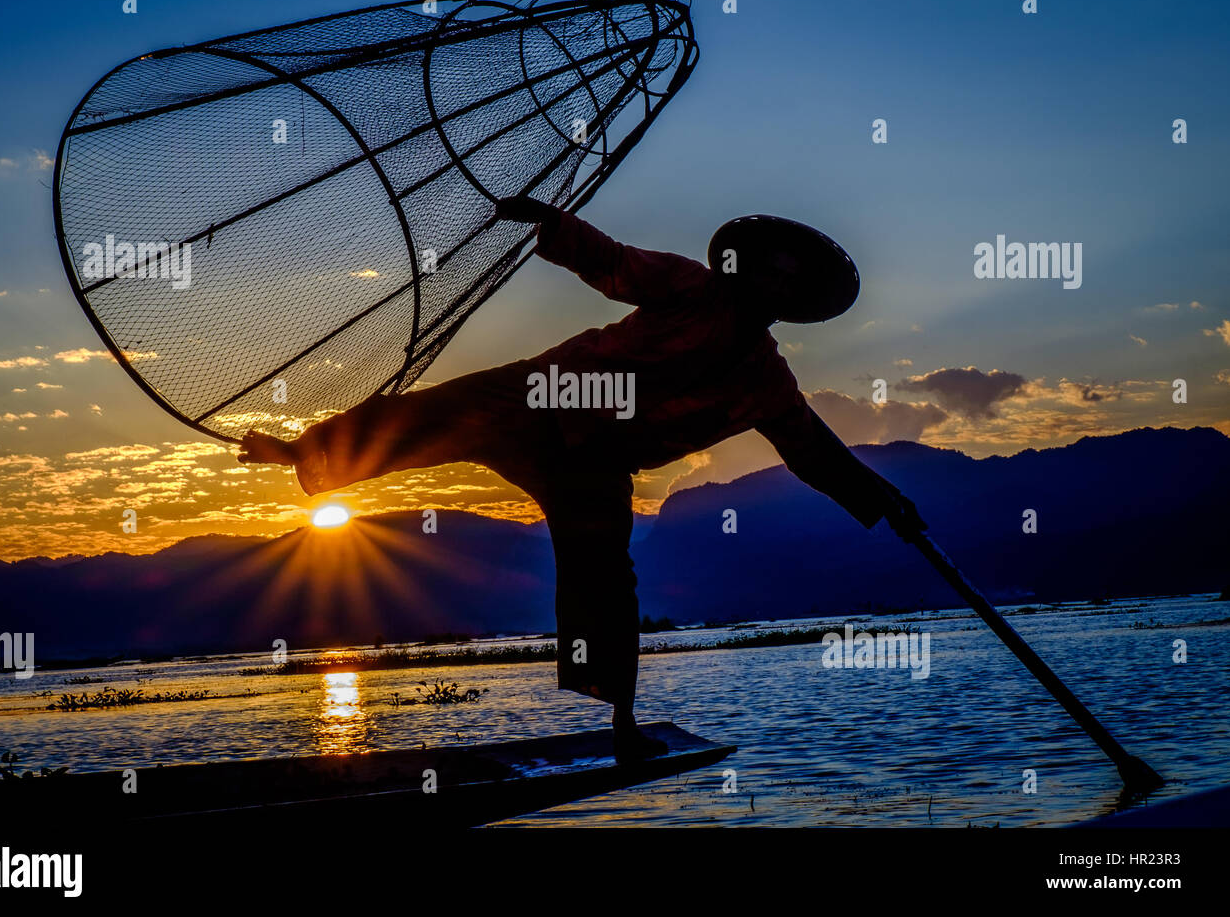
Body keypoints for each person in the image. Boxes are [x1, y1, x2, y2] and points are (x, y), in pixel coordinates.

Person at [238, 197, 926, 762]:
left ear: (791, 298)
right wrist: (551, 220)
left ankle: (622, 721)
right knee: (422, 417)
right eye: (766, 269)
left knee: (603, 575)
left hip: (594, 460)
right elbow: (615, 265)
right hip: (543, 396)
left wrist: (886, 502)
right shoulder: (691, 287)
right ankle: (302, 453)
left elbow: (816, 455)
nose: (771, 281)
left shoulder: (766, 382)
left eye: (786, 279)